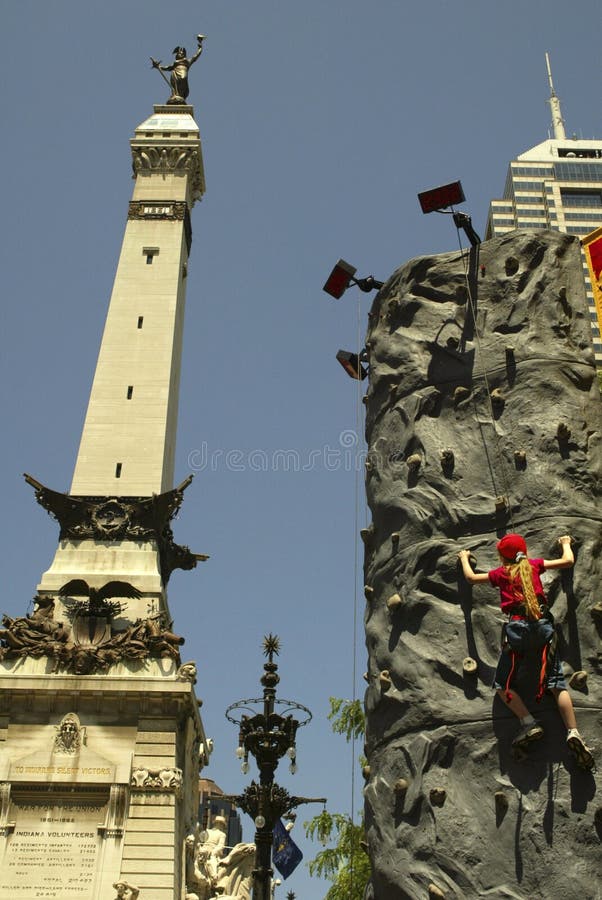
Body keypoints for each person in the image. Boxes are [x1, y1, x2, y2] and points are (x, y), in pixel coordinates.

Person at [458, 533, 594, 769]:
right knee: (555, 683)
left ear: (501, 557)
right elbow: (567, 562)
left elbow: (470, 578)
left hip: (517, 630)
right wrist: (565, 544)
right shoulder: (533, 565)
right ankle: (573, 732)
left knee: (503, 686)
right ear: (525, 552)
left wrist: (463, 557)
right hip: (542, 626)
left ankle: (529, 722)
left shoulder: (501, 573)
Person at [152, 37, 204, 104]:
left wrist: (200, 48)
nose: (180, 54)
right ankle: (176, 95)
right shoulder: (175, 63)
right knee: (175, 84)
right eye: (179, 53)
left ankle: (180, 96)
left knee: (183, 78)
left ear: (184, 55)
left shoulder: (187, 61)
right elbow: (167, 67)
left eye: (182, 53)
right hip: (175, 73)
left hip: (183, 72)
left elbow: (195, 56)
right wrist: (158, 66)